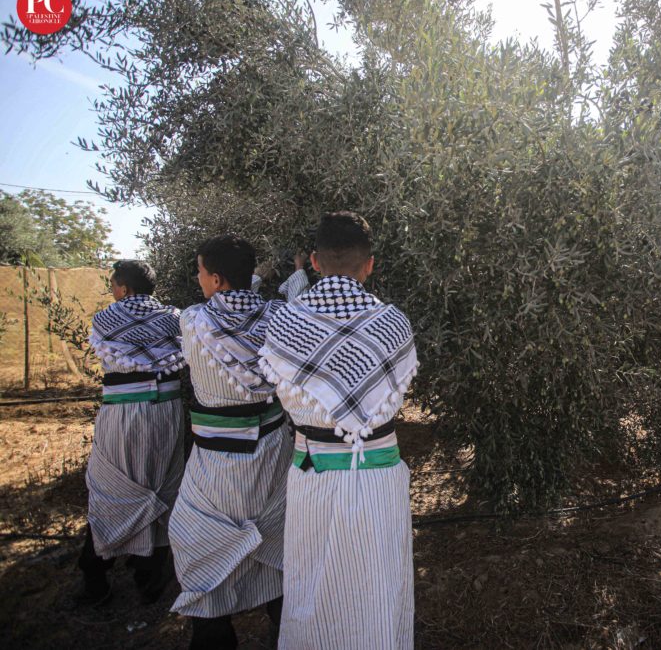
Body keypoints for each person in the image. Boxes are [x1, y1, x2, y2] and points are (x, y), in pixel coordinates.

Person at [259, 211, 418, 649]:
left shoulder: (285, 322)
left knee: (313, 589)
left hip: (313, 478)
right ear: (370, 265)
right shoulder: (394, 323)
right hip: (379, 477)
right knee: (380, 590)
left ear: (314, 260)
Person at [169, 234, 309, 648]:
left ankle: (214, 635)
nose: (198, 279)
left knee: (197, 542)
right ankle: (286, 633)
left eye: (200, 271)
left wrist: (253, 283)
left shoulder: (193, 320)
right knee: (279, 541)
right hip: (274, 452)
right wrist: (298, 271)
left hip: (217, 462)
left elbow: (235, 310)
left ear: (215, 279)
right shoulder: (281, 318)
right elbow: (290, 305)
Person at [77, 259, 187, 606]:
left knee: (111, 488)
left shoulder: (107, 318)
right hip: (167, 413)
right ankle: (149, 578)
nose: (112, 290)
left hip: (122, 416)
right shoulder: (175, 318)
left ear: (123, 288)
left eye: (113, 284)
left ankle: (96, 574)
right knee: (160, 484)